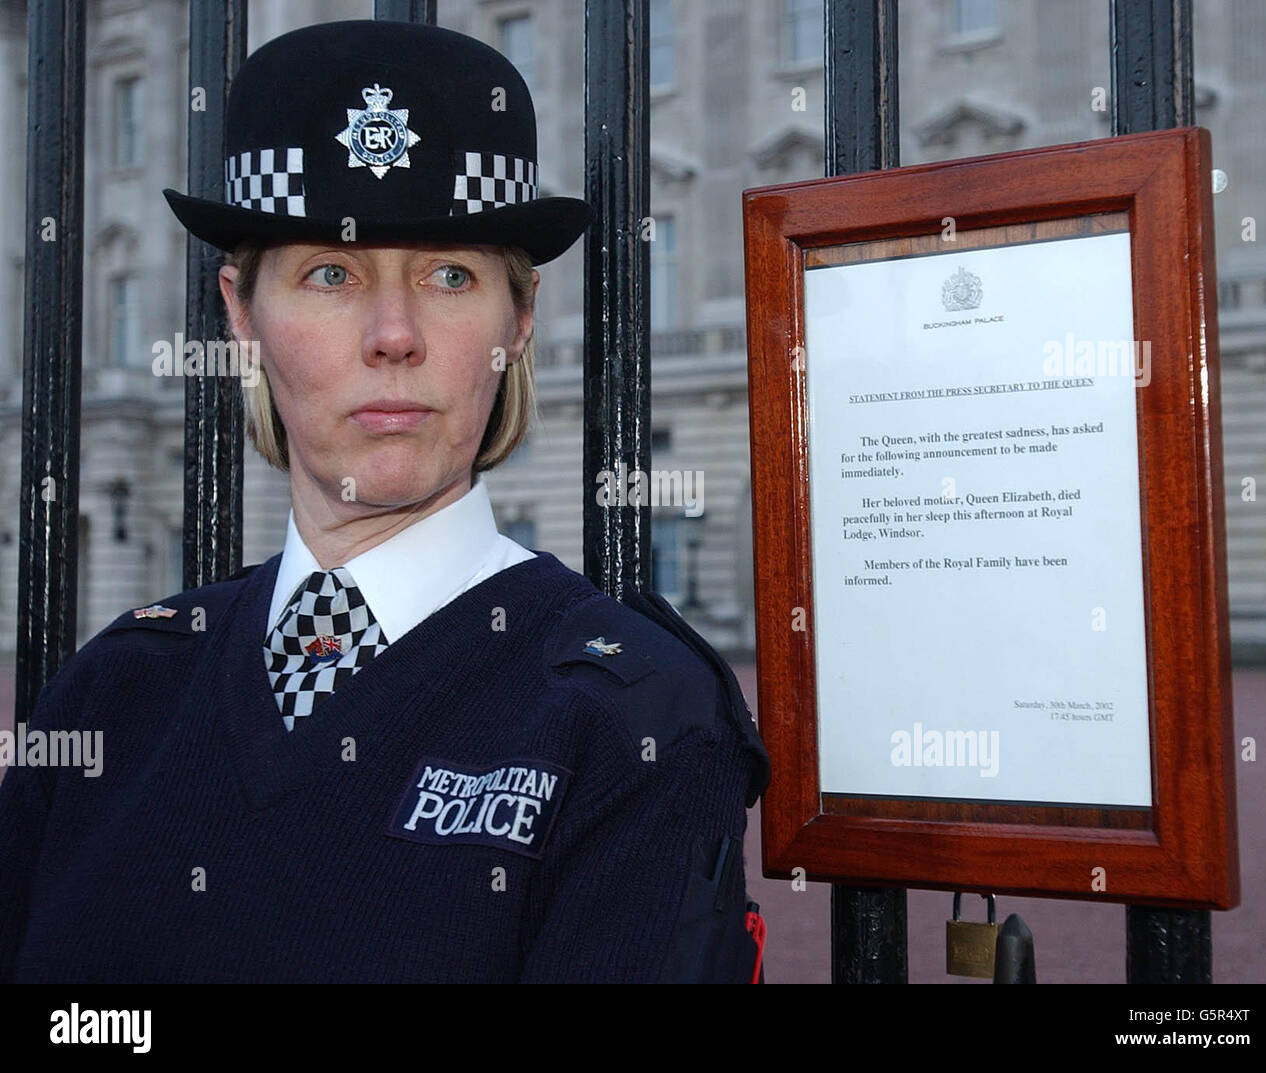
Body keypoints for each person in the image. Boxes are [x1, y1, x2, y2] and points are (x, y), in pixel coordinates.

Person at [0, 19, 768, 984]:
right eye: (332, 274)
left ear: (517, 319)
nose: (394, 334)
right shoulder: (114, 689)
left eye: (449, 275)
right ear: (241, 312)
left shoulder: (634, 719)